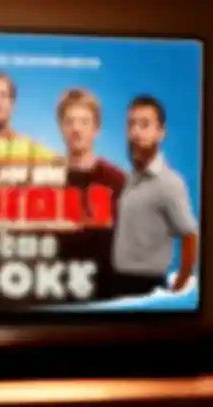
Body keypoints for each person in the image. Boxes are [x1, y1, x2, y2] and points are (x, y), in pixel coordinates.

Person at [111, 95, 199, 298]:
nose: (135, 132)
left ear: (160, 132)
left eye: (144, 125)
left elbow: (189, 235)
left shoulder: (169, 183)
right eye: (131, 124)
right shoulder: (128, 178)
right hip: (118, 282)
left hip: (146, 286)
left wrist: (179, 286)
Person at [56, 88, 126, 301]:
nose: (76, 129)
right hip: (57, 294)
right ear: (61, 127)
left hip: (107, 298)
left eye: (84, 122)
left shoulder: (117, 181)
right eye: (70, 122)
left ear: (97, 129)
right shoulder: (45, 179)